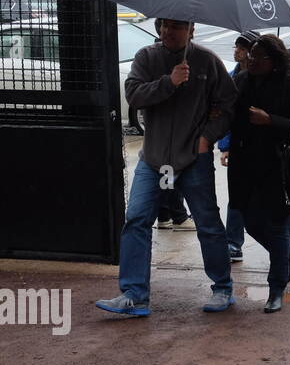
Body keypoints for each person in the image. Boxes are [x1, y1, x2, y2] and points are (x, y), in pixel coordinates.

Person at [95, 18, 237, 317]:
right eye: (163, 26)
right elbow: (133, 95)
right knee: (136, 220)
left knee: (208, 224)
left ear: (191, 29)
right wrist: (169, 82)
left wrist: (206, 139)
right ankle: (134, 295)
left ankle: (222, 287)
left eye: (175, 26)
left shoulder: (208, 62)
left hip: (193, 159)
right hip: (153, 158)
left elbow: (227, 106)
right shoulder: (147, 57)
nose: (167, 32)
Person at [226, 34, 290, 314]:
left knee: (276, 227)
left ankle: (276, 289)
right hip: (244, 164)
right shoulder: (240, 81)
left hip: (278, 167)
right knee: (250, 222)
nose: (251, 61)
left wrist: (270, 120)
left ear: (273, 61)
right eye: (250, 56)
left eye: (258, 57)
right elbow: (228, 114)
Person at [218, 30, 260, 262]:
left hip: (261, 146)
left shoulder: (264, 80)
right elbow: (224, 115)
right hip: (239, 145)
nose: (236, 51)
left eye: (241, 48)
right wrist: (225, 146)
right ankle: (233, 242)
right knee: (236, 197)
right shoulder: (232, 77)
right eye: (235, 46)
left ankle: (286, 244)